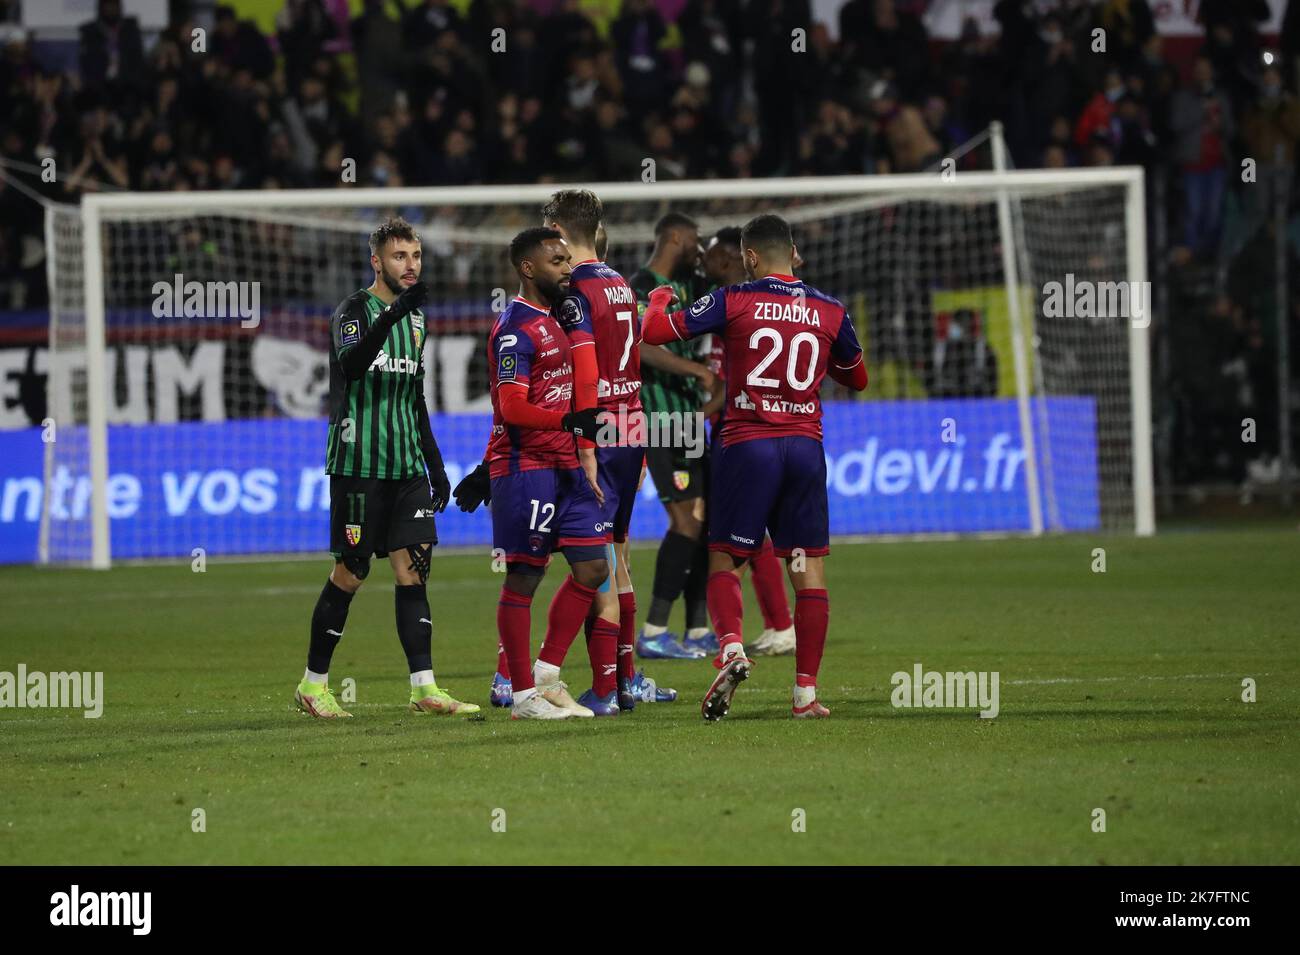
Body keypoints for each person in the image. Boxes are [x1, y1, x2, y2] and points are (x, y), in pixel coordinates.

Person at [641, 214, 868, 720]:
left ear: (749, 256)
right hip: (804, 448)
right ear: (793, 254)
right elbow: (858, 378)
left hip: (747, 445)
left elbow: (654, 331)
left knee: (726, 559)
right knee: (808, 569)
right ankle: (806, 695)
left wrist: (658, 300)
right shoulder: (831, 309)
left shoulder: (734, 299)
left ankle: (731, 650)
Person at [295, 217, 476, 719]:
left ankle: (425, 688)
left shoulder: (417, 321)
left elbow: (415, 397)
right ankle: (313, 685)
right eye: (400, 256)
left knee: (413, 571)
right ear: (377, 262)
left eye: (416, 256)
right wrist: (394, 314)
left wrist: (436, 466)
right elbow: (353, 366)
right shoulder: (353, 311)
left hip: (406, 466)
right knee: (351, 572)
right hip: (358, 464)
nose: (410, 265)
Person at [453, 227, 611, 719]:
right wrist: (568, 422)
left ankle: (546, 674)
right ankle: (522, 696)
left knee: (594, 567)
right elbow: (512, 408)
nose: (567, 268)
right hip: (527, 468)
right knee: (525, 577)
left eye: (567, 259)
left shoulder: (559, 317)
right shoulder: (514, 328)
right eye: (557, 261)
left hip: (566, 465)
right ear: (528, 268)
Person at [542, 190, 677, 710]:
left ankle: (603, 690)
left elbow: (583, 371)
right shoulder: (620, 282)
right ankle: (624, 680)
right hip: (630, 428)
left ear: (557, 230)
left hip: (596, 434)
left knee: (593, 565)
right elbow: (634, 356)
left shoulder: (573, 288)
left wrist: (583, 444)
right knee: (617, 557)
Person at [698, 226, 796, 656]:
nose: (704, 261)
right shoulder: (739, 302)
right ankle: (779, 625)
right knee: (756, 537)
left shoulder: (736, 306)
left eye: (711, 253)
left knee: (738, 540)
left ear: (734, 256)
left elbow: (730, 383)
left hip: (742, 435)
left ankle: (768, 630)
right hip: (761, 434)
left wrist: (690, 417)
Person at [628, 212, 717, 659]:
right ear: (677, 237)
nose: (699, 249)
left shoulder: (690, 287)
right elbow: (640, 346)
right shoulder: (640, 286)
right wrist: (695, 370)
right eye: (695, 240)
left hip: (689, 420)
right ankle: (653, 630)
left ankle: (697, 629)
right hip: (661, 421)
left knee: (702, 523)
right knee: (685, 522)